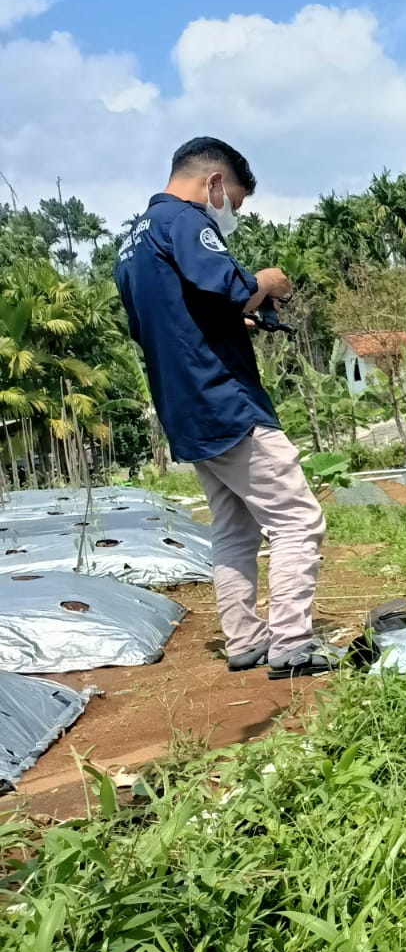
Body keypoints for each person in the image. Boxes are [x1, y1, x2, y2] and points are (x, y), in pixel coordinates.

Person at [114, 138, 339, 680]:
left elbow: (169, 320)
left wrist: (231, 322)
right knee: (296, 520)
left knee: (234, 527)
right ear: (213, 183)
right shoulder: (187, 221)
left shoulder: (132, 243)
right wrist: (269, 282)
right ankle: (291, 644)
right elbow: (231, 286)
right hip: (225, 401)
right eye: (233, 203)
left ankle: (245, 640)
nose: (230, 213)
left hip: (185, 408)